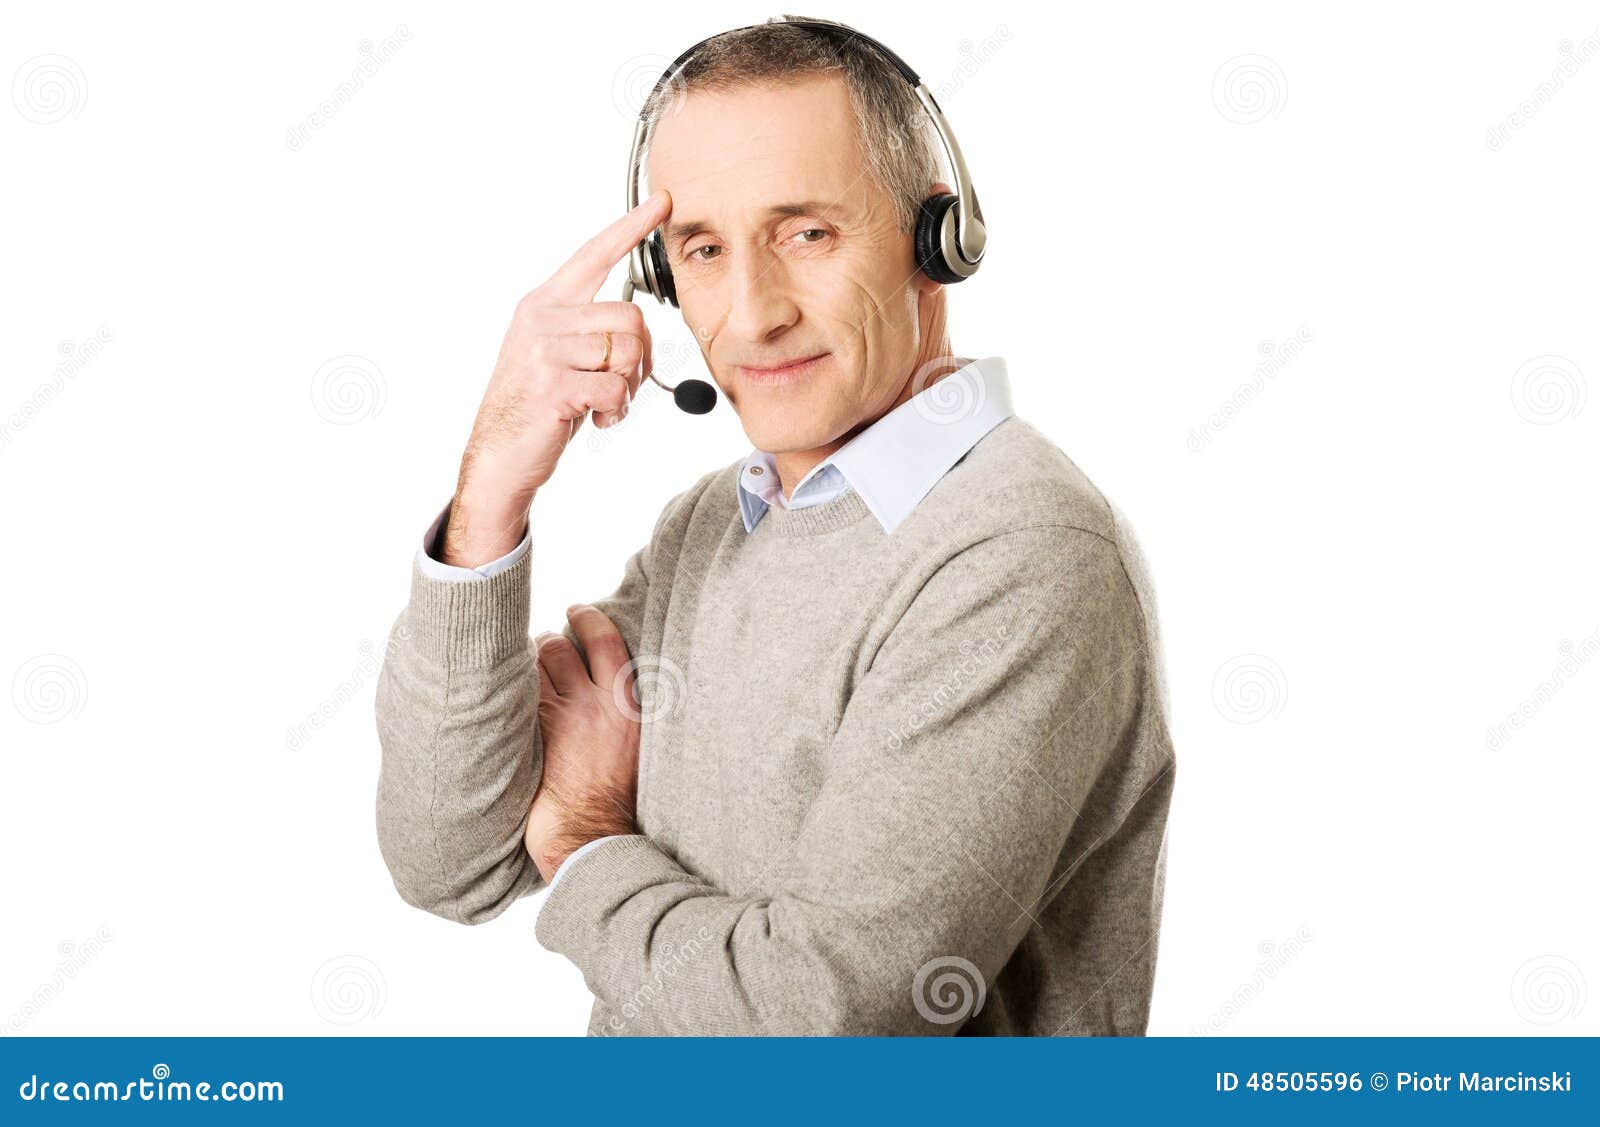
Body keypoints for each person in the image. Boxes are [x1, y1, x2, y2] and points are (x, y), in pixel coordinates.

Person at [375, 17, 1175, 1036]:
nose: (752, 314)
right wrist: (491, 495)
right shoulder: (713, 527)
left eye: (805, 232)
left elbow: (821, 1017)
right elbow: (449, 859)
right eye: (703, 249)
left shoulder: (1020, 552)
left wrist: (583, 842)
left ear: (937, 238)